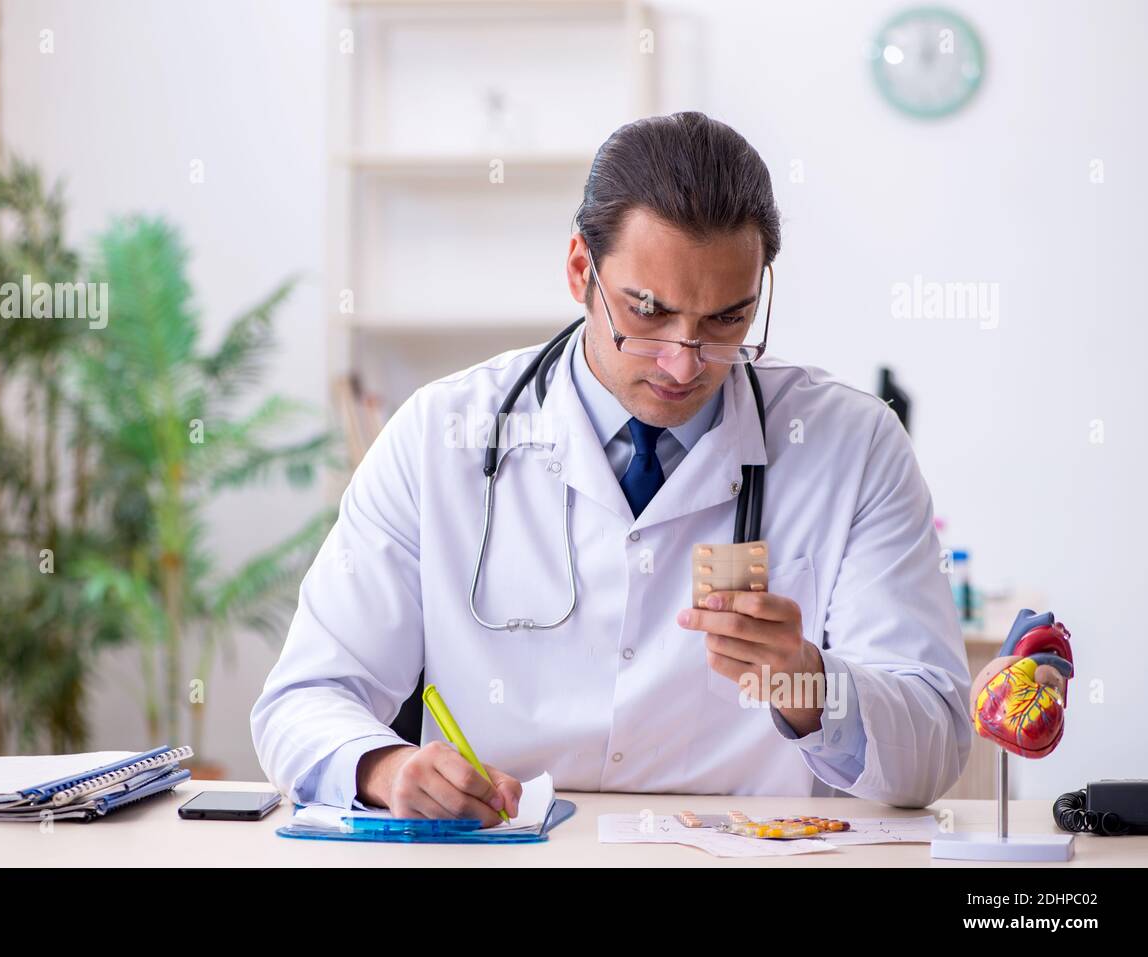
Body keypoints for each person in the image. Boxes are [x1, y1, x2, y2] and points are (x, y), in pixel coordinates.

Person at [252, 111, 972, 823]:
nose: (684, 361)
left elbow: (936, 743)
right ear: (579, 271)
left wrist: (815, 688)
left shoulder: (854, 444)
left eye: (726, 319)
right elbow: (304, 699)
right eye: (648, 311)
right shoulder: (438, 438)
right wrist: (382, 766)